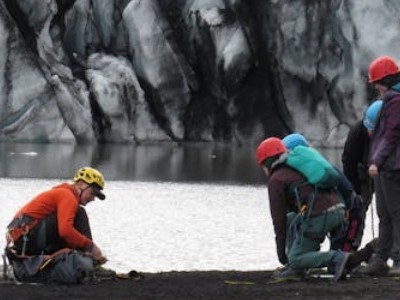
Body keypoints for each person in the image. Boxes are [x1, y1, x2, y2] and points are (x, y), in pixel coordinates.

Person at [256, 137, 361, 281]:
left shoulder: (277, 179)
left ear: (267, 162)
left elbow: (278, 221)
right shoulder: (298, 167)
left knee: (296, 259)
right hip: (338, 211)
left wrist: (282, 255)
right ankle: (295, 268)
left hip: (321, 214)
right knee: (291, 219)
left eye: (262, 165)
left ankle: (336, 258)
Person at [5, 166, 107, 265]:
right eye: (92, 193)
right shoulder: (68, 196)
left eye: (96, 196)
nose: (93, 198)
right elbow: (65, 231)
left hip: (22, 241)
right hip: (26, 240)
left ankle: (85, 259)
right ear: (80, 184)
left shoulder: (62, 193)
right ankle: (89, 259)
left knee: (72, 218)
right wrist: (90, 246)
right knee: (79, 213)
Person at [356, 55, 400, 276]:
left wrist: (377, 161)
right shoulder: (392, 99)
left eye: (376, 83)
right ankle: (381, 258)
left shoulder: (396, 101)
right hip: (386, 167)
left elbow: (391, 135)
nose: (375, 87)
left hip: (393, 166)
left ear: (384, 80)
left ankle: (398, 260)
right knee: (385, 213)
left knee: (395, 212)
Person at [341, 100, 382, 248]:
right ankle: (350, 248)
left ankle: (391, 249)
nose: (371, 132)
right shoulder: (357, 132)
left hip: (389, 173)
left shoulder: (392, 132)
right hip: (362, 175)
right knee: (357, 209)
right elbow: (348, 161)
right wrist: (355, 190)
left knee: (391, 211)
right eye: (369, 129)